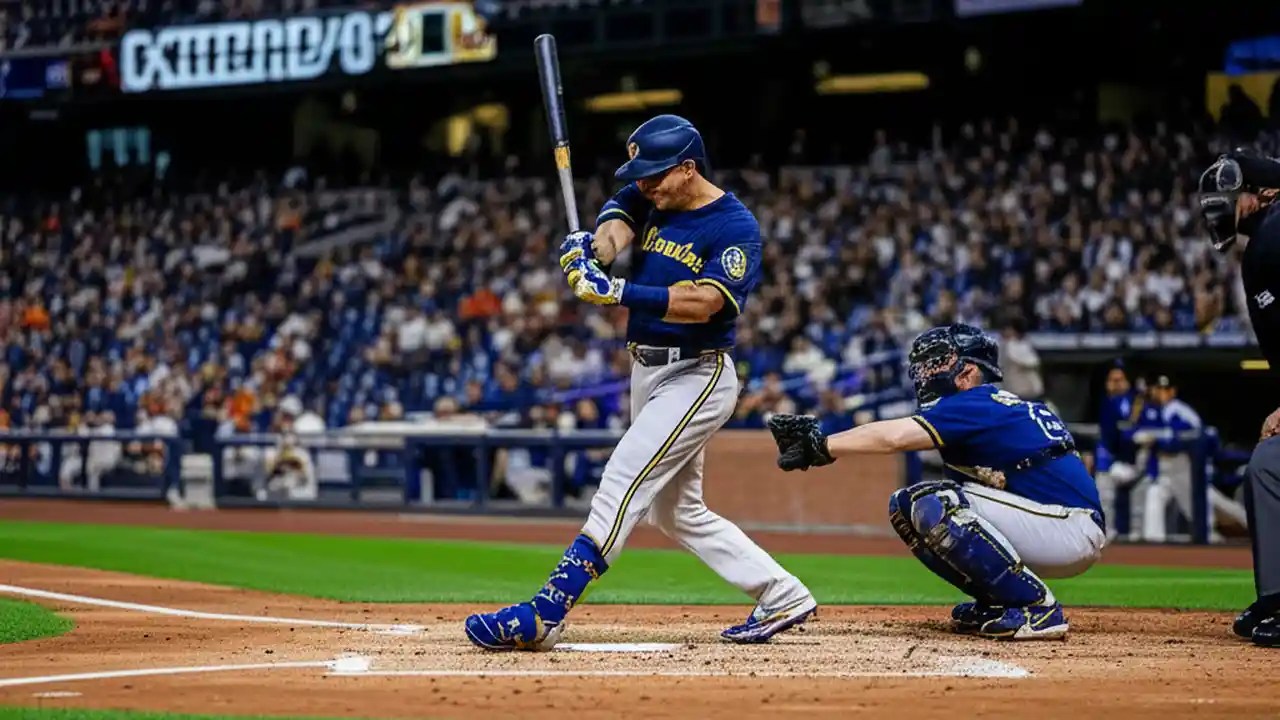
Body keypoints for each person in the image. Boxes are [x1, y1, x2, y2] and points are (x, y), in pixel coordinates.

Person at [463, 114, 815, 651]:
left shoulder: (734, 225)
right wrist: (590, 255)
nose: (644, 184)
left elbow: (707, 302)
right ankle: (783, 594)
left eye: (655, 174)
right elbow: (614, 232)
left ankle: (547, 611)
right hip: (646, 370)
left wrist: (618, 291)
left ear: (688, 168)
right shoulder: (650, 193)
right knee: (676, 512)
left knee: (622, 479)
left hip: (698, 372)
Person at [766, 323, 1105, 640]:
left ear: (968, 373)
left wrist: (823, 445)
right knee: (905, 505)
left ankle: (1037, 608)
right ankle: (1000, 600)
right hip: (1046, 523)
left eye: (939, 362)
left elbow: (895, 437)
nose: (926, 371)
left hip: (1068, 528)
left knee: (933, 502)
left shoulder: (977, 401)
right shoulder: (980, 406)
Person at [1196, 149, 1280, 647]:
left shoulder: (1274, 232)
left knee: (1269, 467)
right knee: (1270, 464)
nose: (1222, 206)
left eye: (1233, 195)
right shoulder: (1268, 236)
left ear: (1264, 193)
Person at [1094, 363, 1144, 537]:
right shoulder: (1105, 402)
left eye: (1119, 380)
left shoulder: (1136, 401)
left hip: (1137, 460)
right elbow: (1109, 436)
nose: (1115, 384)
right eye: (1112, 380)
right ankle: (1106, 531)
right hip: (1114, 459)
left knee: (1141, 495)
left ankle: (1139, 535)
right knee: (1104, 491)